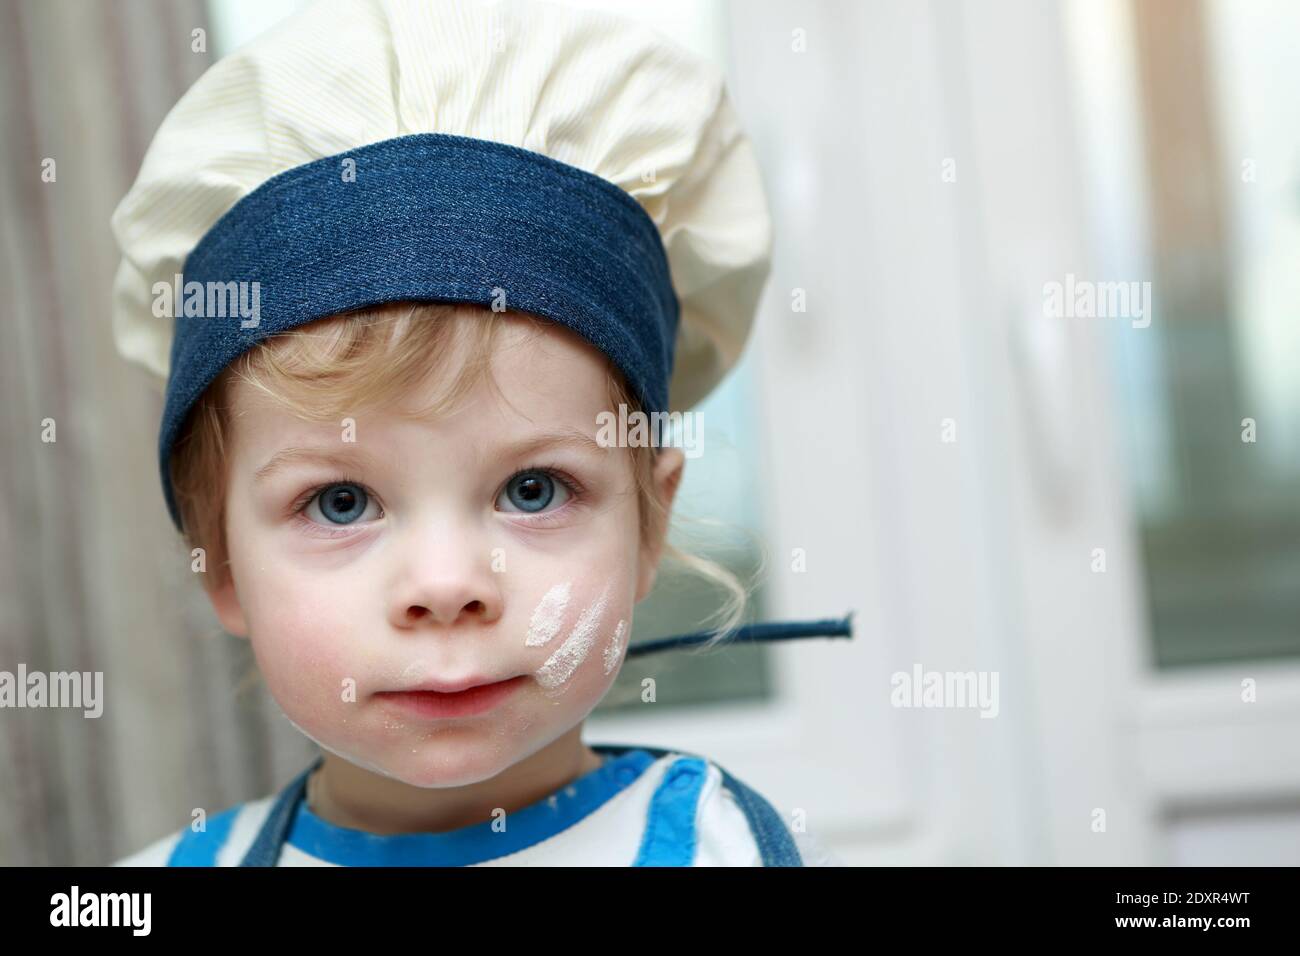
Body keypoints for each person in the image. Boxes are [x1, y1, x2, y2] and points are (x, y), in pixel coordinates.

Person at [109, 0, 851, 866]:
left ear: (650, 521)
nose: (449, 585)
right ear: (221, 561)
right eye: (341, 503)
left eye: (531, 489)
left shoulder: (718, 849)